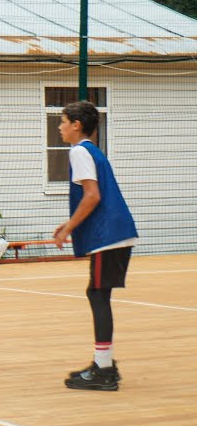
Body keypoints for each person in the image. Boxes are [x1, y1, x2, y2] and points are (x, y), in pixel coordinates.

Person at [55, 101, 136, 391]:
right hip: (115, 233)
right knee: (97, 293)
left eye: (63, 121)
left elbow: (92, 196)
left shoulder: (79, 151)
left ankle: (104, 370)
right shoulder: (92, 150)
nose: (60, 126)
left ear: (77, 124)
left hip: (109, 235)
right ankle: (104, 363)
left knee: (98, 295)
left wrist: (68, 227)